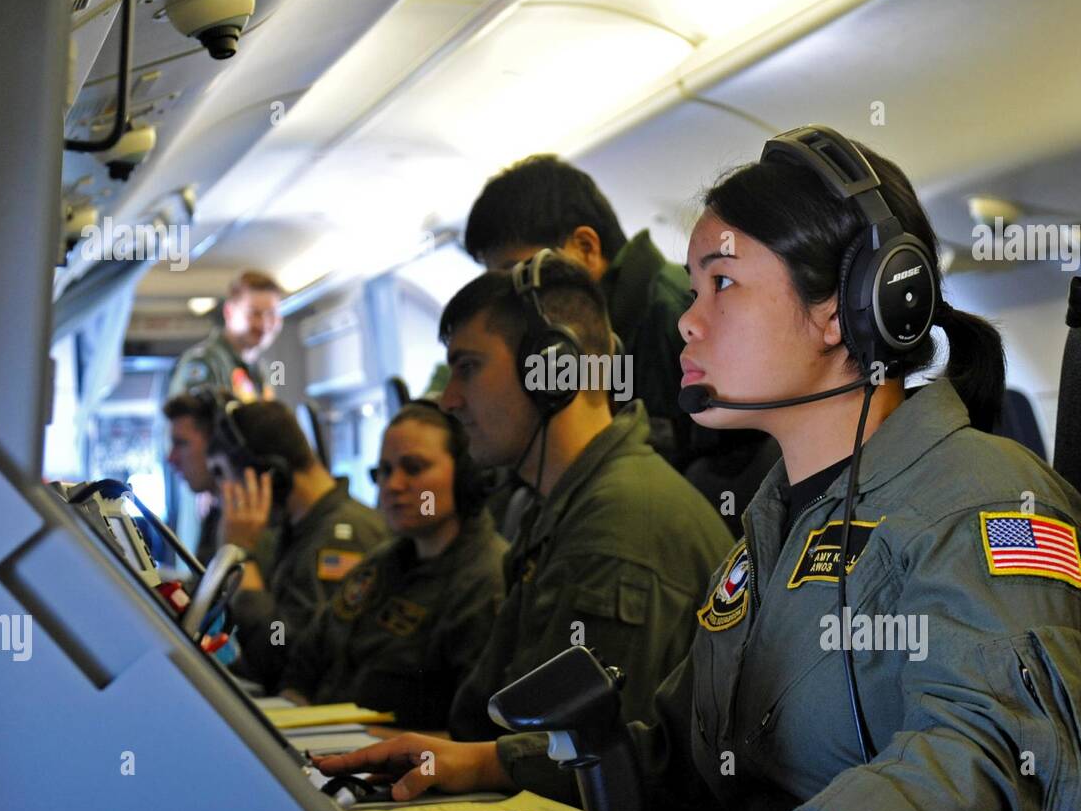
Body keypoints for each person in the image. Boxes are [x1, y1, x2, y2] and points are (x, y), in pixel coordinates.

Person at [315, 127, 1081, 811]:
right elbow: (680, 757)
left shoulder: (991, 503)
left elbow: (995, 751)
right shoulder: (768, 528)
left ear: (842, 308)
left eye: (723, 285)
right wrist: (484, 763)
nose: (686, 322)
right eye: (692, 291)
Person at [431, 252, 734, 741]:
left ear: (553, 370)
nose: (449, 400)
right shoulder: (561, 507)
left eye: (468, 367)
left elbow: (586, 756)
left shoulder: (620, 525)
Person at [462, 154, 778, 537]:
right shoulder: (594, 332)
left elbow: (738, 459)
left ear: (585, 247)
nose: (512, 297)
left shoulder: (671, 312)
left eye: (519, 272)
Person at [279, 402, 506, 729]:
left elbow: (477, 737)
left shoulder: (487, 582)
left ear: (466, 476)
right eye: (383, 471)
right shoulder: (379, 564)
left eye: (413, 468)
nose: (393, 485)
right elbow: (304, 663)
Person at [207, 399, 388, 693]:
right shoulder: (300, 530)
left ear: (271, 475)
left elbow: (283, 658)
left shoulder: (343, 539)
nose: (220, 495)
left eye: (223, 476)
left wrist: (243, 556)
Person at [167, 270, 284, 402]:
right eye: (254, 313)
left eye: (271, 314)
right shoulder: (205, 362)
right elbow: (189, 420)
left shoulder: (260, 369)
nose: (263, 323)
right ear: (229, 312)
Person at [161, 392, 223, 567]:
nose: (171, 458)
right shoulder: (215, 516)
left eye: (180, 443)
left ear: (217, 446)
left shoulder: (252, 530)